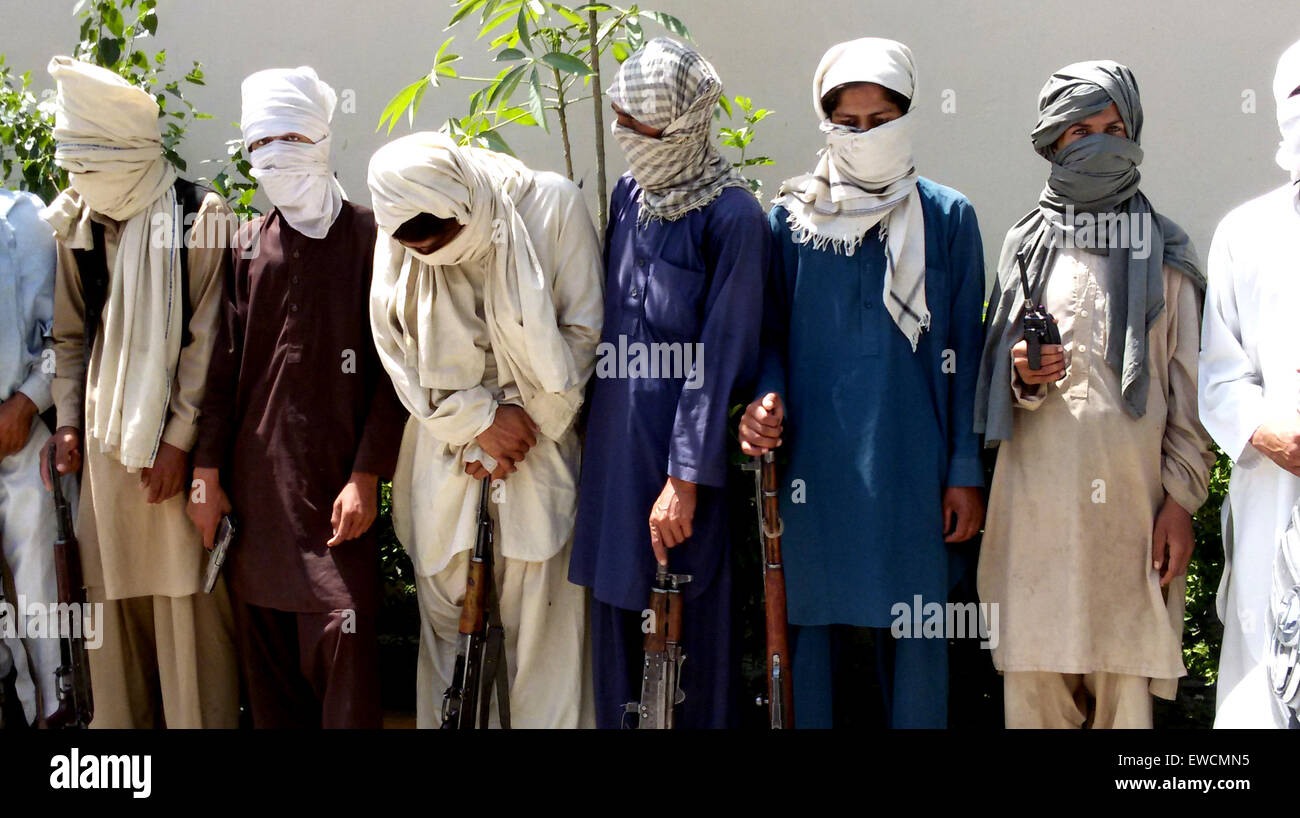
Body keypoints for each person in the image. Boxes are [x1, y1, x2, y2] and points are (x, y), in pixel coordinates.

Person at [738, 38, 986, 729]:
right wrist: (764, 399)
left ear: (907, 115)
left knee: (919, 635)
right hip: (814, 467)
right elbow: (769, 338)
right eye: (848, 121)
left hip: (915, 465)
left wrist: (965, 470)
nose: (865, 134)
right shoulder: (791, 219)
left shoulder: (948, 218)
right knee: (808, 628)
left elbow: (966, 351)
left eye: (882, 118)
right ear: (826, 122)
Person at [975, 60, 1213, 729]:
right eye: (1083, 130)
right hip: (1036, 522)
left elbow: (1189, 399)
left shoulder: (1167, 253)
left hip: (1133, 525)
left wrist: (1183, 504)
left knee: (1124, 705)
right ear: (1054, 143)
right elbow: (997, 387)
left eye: (1115, 129)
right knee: (1035, 696)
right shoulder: (1026, 247)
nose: (1101, 144)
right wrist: (1024, 374)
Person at [188, 67, 407, 728]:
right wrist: (205, 474)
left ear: (322, 136)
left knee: (345, 652)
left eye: (291, 136)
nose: (275, 156)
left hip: (340, 500)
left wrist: (367, 474)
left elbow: (396, 369)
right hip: (258, 505)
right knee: (270, 683)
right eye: (261, 143)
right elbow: (221, 371)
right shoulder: (249, 245)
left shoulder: (374, 238)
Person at [368, 130, 603, 728]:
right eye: (415, 246)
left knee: (546, 646)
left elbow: (583, 332)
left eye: (443, 239)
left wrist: (517, 425)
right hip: (446, 449)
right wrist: (476, 423)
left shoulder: (550, 205)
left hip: (538, 448)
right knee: (449, 646)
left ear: (464, 202)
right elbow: (393, 344)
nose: (431, 254)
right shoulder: (398, 225)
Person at [569, 37, 768, 729]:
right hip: (614, 469)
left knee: (689, 649)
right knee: (617, 648)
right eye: (618, 121)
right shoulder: (632, 193)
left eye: (639, 126)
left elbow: (723, 357)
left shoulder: (734, 218)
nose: (626, 138)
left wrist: (683, 477)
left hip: (678, 482)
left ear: (683, 127)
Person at [39, 56, 238, 728]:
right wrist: (67, 424)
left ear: (125, 151)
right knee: (112, 605)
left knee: (185, 607)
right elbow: (69, 338)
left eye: (90, 163)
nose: (80, 181)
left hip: (168, 450)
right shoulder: (75, 223)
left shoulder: (199, 216)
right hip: (102, 450)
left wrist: (178, 441)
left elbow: (208, 343)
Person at [1198, 39, 1300, 729]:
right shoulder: (1246, 232)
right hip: (1275, 492)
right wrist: (1274, 433)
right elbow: (1220, 376)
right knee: (1265, 693)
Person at [0, 187, 64, 727]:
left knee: (39, 585)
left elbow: (65, 335)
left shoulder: (26, 218)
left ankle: (54, 716)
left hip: (18, 435)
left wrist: (27, 404)